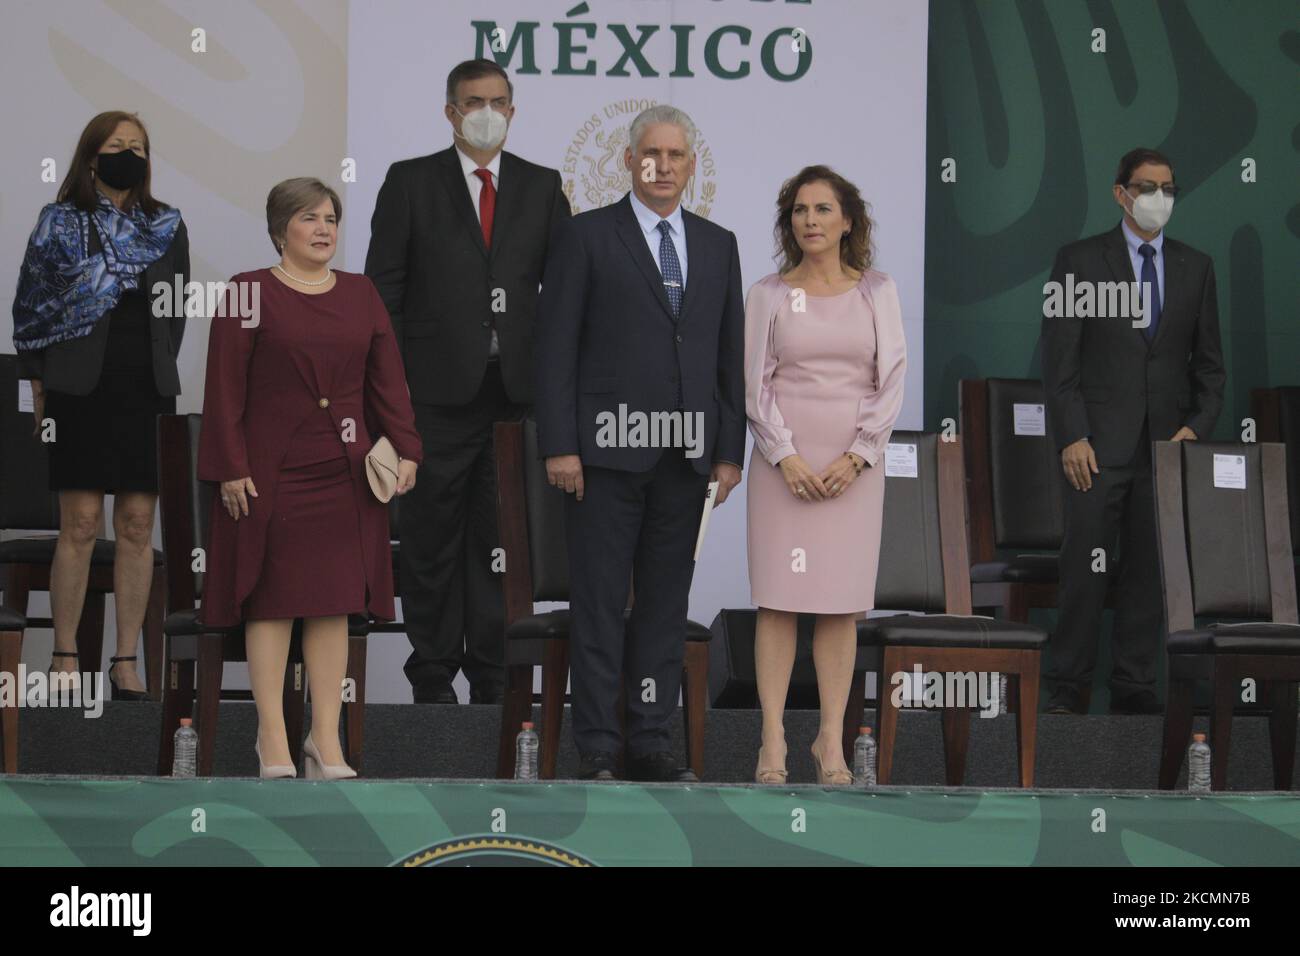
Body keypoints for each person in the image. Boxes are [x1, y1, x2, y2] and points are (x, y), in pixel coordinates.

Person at [535, 105, 746, 782]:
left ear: (691, 165)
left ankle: (650, 742)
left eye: (677, 155)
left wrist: (729, 450)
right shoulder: (586, 236)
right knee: (598, 605)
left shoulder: (718, 246)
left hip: (685, 459)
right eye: (651, 153)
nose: (663, 165)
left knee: (663, 606)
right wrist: (560, 445)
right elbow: (555, 347)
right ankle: (597, 746)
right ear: (628, 161)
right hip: (602, 457)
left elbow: (727, 355)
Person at [198, 178, 422, 778]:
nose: (324, 228)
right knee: (271, 601)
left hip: (347, 470)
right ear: (279, 230)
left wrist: (406, 449)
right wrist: (228, 467)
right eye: (308, 218)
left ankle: (325, 739)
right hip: (268, 471)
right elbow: (222, 388)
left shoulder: (361, 293)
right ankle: (272, 737)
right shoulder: (248, 291)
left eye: (330, 218)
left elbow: (388, 383)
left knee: (333, 603)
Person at [366, 58, 570, 705]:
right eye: (473, 101)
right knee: (429, 543)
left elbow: (566, 298)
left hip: (513, 400)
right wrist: (391, 399)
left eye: (499, 100)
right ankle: (431, 678)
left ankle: (492, 679)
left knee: (501, 544)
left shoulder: (542, 187)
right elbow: (382, 300)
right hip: (430, 400)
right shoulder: (409, 182)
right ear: (451, 112)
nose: (487, 112)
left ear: (513, 110)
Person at [12, 110, 189, 701]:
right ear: (92, 157)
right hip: (76, 389)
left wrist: (160, 369)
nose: (129, 155)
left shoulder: (167, 224)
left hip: (145, 389)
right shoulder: (60, 222)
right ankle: (65, 657)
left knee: (137, 525)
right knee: (81, 524)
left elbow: (176, 307)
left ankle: (125, 660)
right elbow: (31, 305)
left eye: (138, 147)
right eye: (117, 146)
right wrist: (39, 386)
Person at [1041, 147, 1224, 715]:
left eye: (1168, 188)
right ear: (1120, 192)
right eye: (1147, 187)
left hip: (1166, 449)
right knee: (1084, 571)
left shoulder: (1197, 266)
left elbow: (1210, 367)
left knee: (1149, 572)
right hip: (1094, 448)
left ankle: (1136, 689)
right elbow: (1059, 360)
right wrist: (1072, 434)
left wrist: (1196, 428)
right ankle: (1065, 689)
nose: (1158, 199)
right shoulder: (1078, 261)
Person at [743, 166, 906, 785]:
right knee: (779, 603)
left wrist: (860, 454)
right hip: (781, 468)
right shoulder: (768, 293)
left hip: (852, 472)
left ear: (847, 222)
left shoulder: (878, 291)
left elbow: (889, 379)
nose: (810, 220)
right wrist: (783, 454)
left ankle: (830, 743)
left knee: (840, 606)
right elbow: (754, 386)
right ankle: (773, 742)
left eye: (822, 209)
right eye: (800, 210)